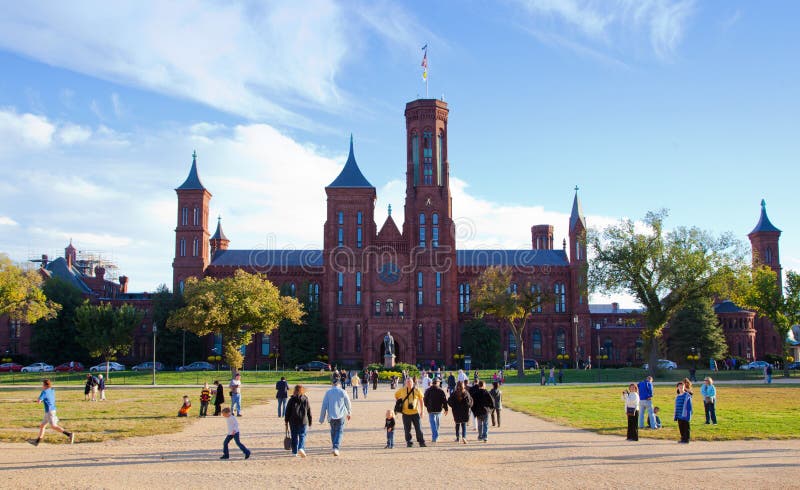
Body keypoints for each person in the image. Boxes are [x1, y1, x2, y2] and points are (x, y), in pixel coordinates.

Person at [31, 379, 75, 446]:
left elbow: (39, 401)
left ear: (45, 385)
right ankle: (37, 442)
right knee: (42, 426)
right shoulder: (52, 390)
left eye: (43, 384)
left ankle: (69, 434)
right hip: (51, 410)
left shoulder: (44, 392)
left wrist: (38, 400)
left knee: (54, 426)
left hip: (49, 411)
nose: (42, 386)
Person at [319, 379, 352, 456]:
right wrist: (349, 412)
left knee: (333, 431)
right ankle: (335, 447)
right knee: (339, 431)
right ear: (339, 384)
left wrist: (321, 418)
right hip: (341, 415)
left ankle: (334, 446)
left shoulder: (328, 392)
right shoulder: (343, 391)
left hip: (331, 415)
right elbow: (348, 403)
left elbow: (324, 405)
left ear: (332, 384)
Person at [394, 378, 426, 448]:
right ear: (405, 383)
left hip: (415, 413)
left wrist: (422, 411)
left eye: (410, 382)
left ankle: (421, 442)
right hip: (405, 413)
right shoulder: (402, 390)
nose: (409, 383)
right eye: (408, 382)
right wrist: (399, 402)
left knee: (419, 429)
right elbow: (396, 395)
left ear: (413, 382)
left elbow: (421, 401)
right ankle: (409, 442)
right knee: (407, 429)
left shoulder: (417, 390)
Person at [284, 384, 312, 458]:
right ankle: (301, 448)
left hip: (293, 420)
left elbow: (287, 411)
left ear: (294, 390)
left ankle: (294, 452)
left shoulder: (291, 399)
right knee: (302, 435)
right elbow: (309, 411)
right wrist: (310, 421)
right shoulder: (305, 399)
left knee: (294, 436)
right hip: (303, 420)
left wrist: (286, 421)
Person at [423, 378, 448, 443]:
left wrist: (427, 406)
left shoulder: (428, 390)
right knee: (437, 424)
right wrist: (446, 409)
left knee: (433, 424)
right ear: (438, 383)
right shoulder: (441, 390)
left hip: (431, 410)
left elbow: (425, 399)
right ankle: (435, 436)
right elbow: (444, 401)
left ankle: (435, 437)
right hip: (439, 410)